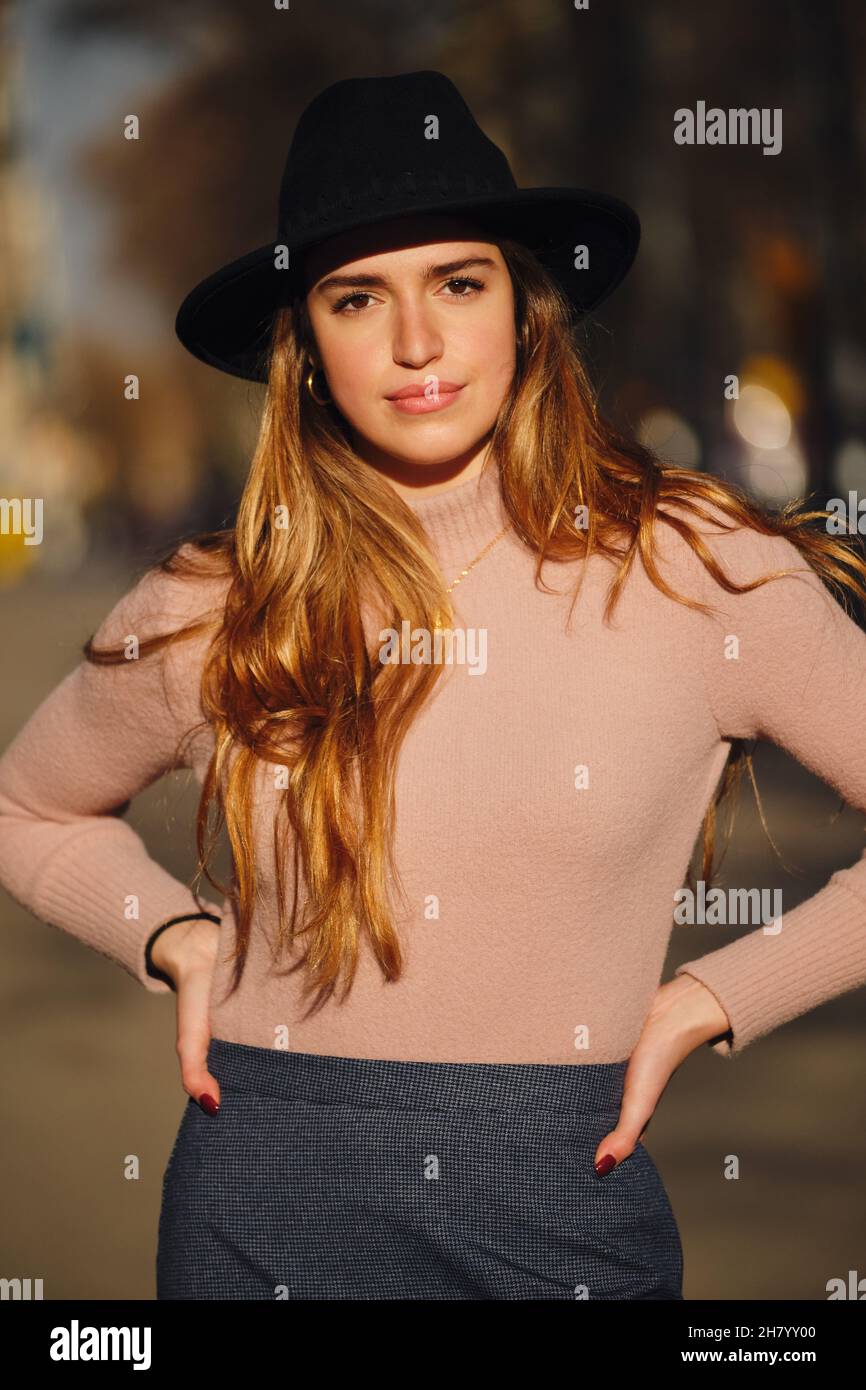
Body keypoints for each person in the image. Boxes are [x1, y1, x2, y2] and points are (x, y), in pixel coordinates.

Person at [1, 70, 866, 1302]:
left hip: (565, 1222)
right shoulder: (215, 605)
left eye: (458, 282)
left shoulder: (697, 573)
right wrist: (173, 938)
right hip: (256, 1218)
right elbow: (24, 807)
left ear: (524, 307)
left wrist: (711, 995)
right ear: (304, 347)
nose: (416, 343)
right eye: (359, 299)